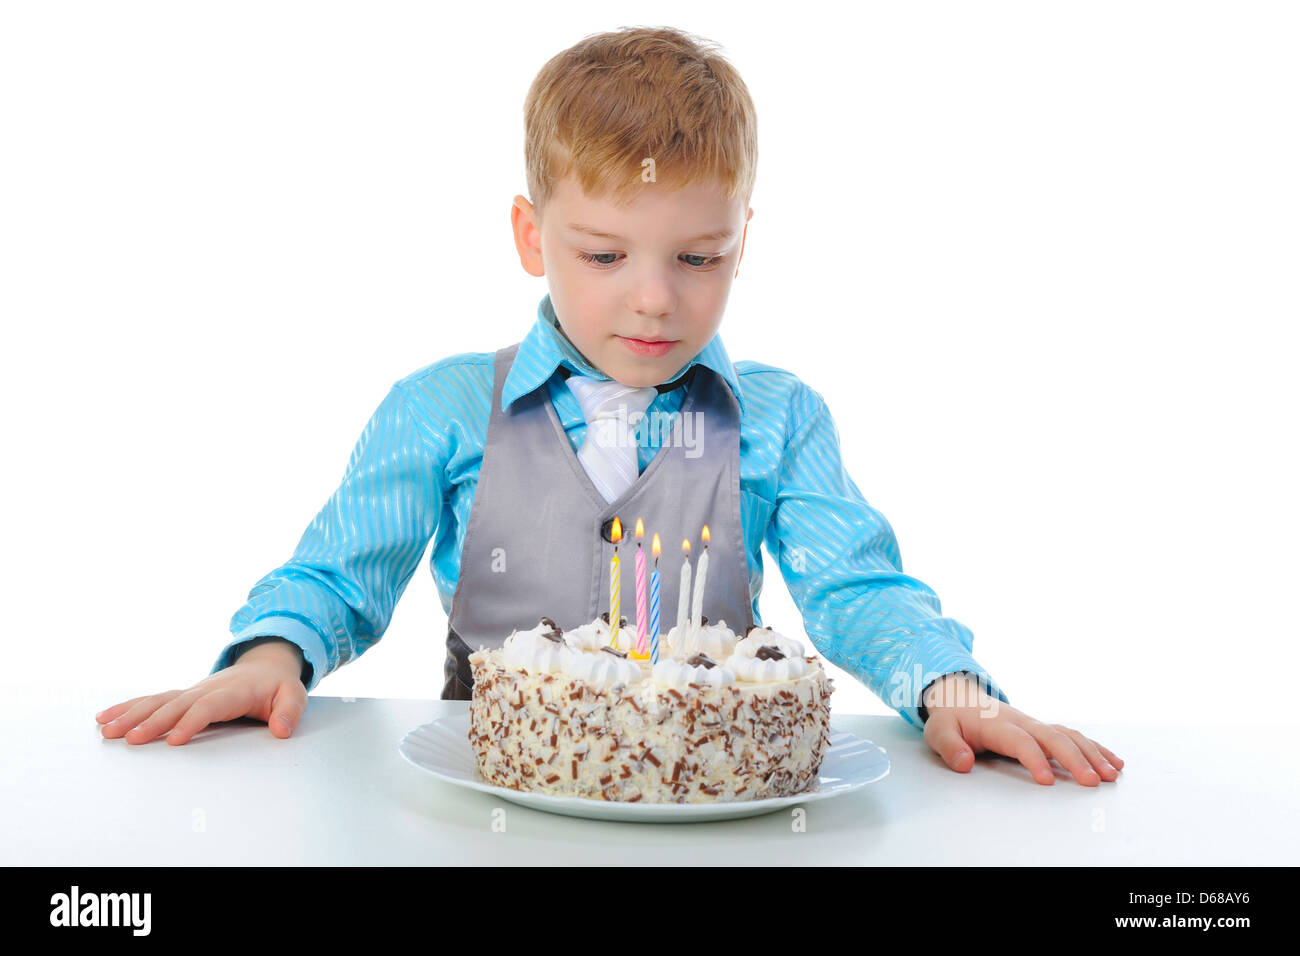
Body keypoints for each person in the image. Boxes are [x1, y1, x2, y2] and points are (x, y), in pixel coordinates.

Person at [96, 25, 1122, 787]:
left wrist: (951, 689)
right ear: (530, 235)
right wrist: (272, 655)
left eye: (698, 256)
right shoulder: (444, 405)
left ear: (743, 241)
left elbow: (859, 586)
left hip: (710, 816)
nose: (652, 296)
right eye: (603, 253)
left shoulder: (779, 417)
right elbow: (335, 575)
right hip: (485, 802)